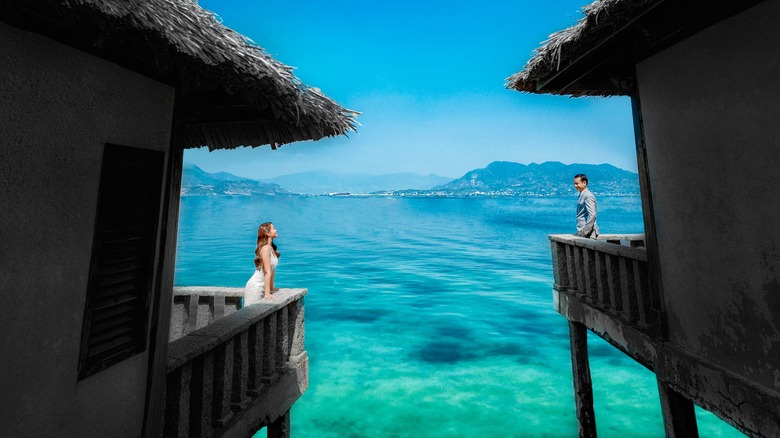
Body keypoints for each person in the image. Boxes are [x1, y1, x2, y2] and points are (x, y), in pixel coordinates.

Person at [244, 222, 280, 304]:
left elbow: (272, 269)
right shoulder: (265, 249)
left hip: (264, 287)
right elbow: (267, 271)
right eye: (273, 228)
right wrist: (267, 294)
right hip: (256, 286)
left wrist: (271, 288)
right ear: (267, 233)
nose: (276, 230)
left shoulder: (271, 248)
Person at [574, 174, 599, 238]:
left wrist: (585, 232)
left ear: (584, 182)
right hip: (581, 232)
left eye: (577, 183)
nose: (575, 186)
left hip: (588, 234)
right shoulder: (582, 194)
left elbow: (592, 215)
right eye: (574, 184)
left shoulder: (588, 196)